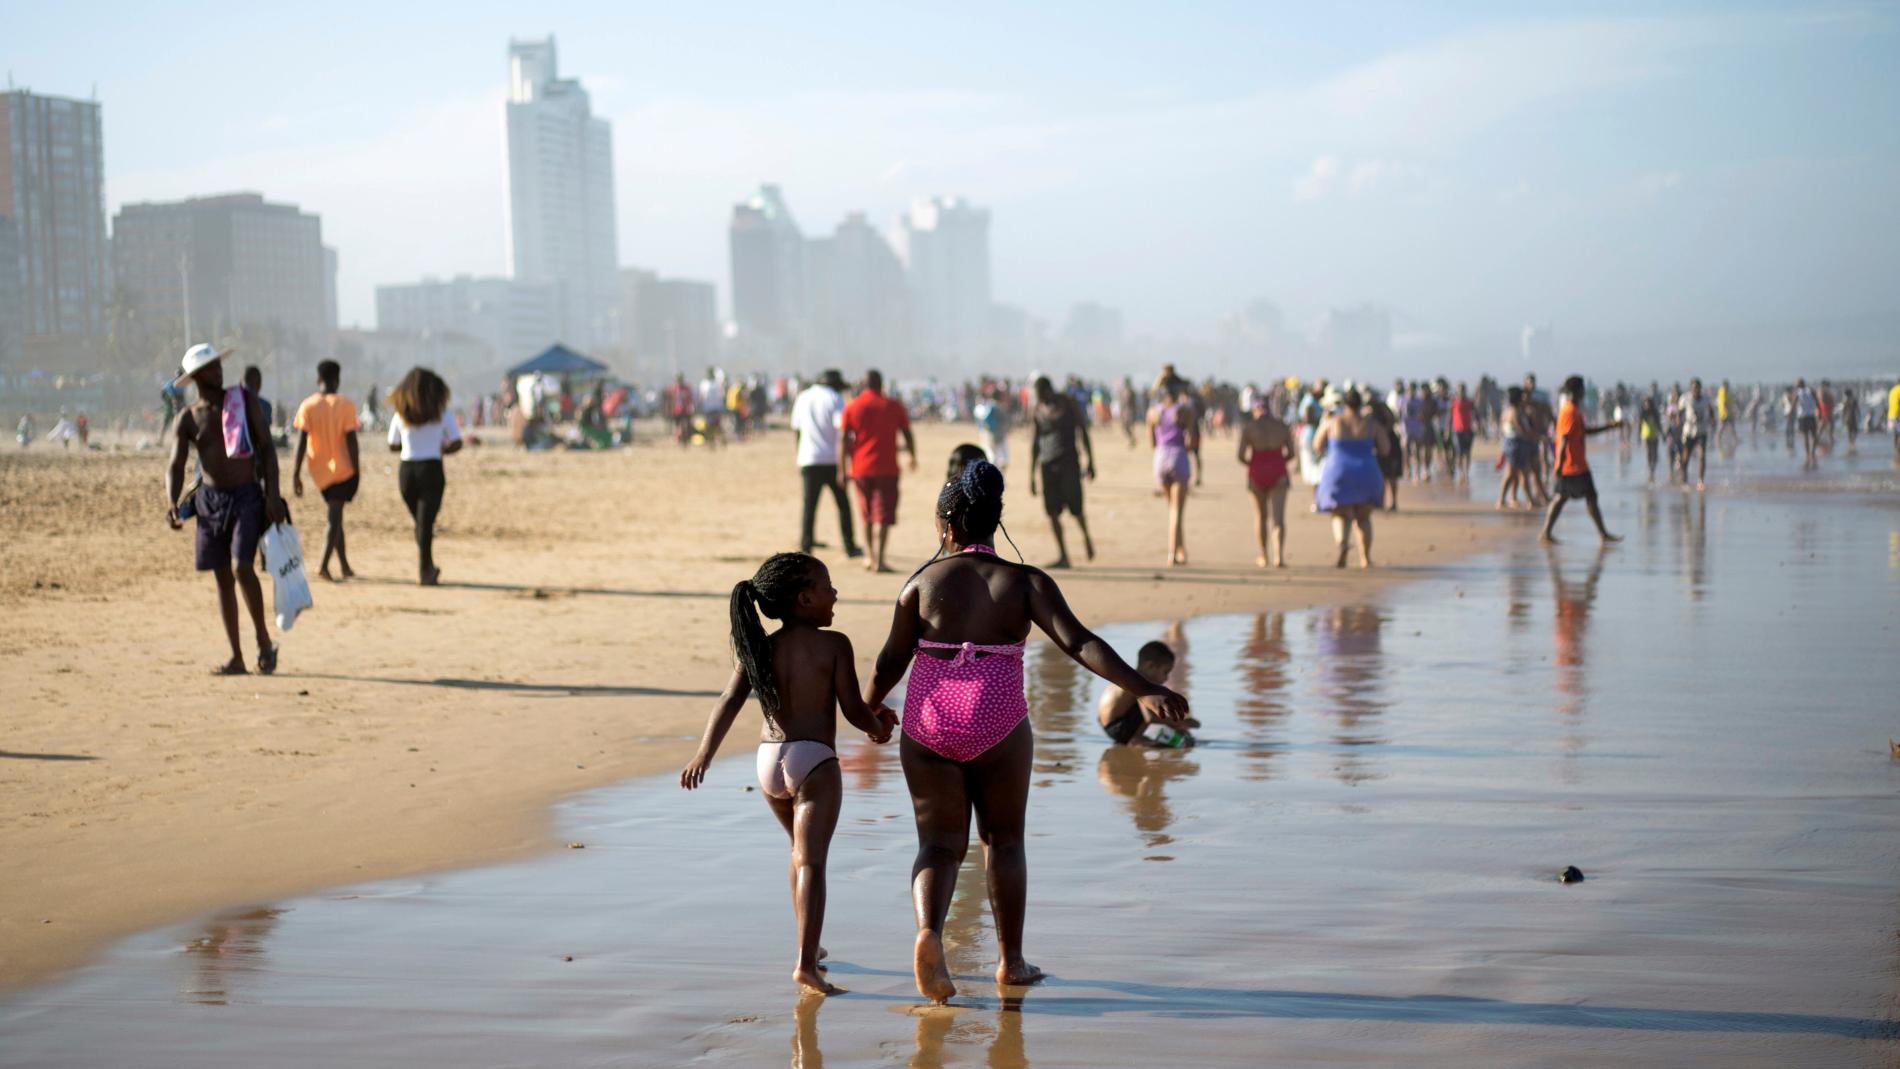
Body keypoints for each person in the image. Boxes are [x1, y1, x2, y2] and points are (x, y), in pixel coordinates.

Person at [863, 460, 1189, 1002]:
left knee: (940, 845)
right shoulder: (1024, 581)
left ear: (947, 526)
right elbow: (1081, 643)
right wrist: (1143, 688)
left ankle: (928, 933)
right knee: (1003, 841)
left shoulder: (919, 584)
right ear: (996, 521)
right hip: (996, 721)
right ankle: (1010, 963)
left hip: (929, 722)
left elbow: (888, 663)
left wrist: (867, 713)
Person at [679, 552, 897, 995]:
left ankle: (809, 948)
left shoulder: (762, 646)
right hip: (814, 761)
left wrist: (703, 754)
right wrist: (879, 730)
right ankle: (805, 965)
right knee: (812, 862)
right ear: (803, 599)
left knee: (799, 852)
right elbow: (853, 709)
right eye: (826, 586)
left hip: (769, 761)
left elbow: (728, 700)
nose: (834, 593)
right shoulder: (834, 644)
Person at [164, 343, 287, 676]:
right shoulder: (188, 417)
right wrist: (172, 501)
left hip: (247, 496)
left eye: (218, 365)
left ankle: (263, 642)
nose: (218, 371)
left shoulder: (242, 400)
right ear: (195, 378)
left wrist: (272, 496)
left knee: (241, 567)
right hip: (209, 501)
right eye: (210, 368)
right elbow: (176, 464)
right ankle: (236, 656)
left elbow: (267, 449)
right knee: (222, 577)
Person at [385, 368, 462, 586]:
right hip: (432, 469)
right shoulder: (442, 414)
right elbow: (457, 442)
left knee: (421, 523)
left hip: (407, 472)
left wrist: (409, 443)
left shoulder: (401, 413)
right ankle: (425, 571)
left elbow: (392, 444)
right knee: (425, 523)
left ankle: (428, 567)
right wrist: (441, 448)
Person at [839, 369, 917, 574]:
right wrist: (912, 455)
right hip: (887, 468)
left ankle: (868, 556)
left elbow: (843, 440)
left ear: (864, 385)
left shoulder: (852, 407)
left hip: (861, 468)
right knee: (882, 514)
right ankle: (879, 560)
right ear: (881, 384)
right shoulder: (892, 406)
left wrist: (842, 469)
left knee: (866, 513)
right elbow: (907, 433)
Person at [292, 359, 362, 581]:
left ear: (318, 379)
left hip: (319, 471)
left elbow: (301, 442)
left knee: (336, 514)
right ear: (337, 380)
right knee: (334, 519)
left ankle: (344, 565)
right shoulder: (345, 405)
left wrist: (296, 473)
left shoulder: (307, 406)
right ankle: (323, 564)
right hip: (342, 470)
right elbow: (352, 441)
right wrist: (357, 469)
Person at [1540, 375, 1622, 544]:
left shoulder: (1573, 410)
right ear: (1578, 391)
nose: (1584, 391)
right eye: (1582, 388)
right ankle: (1547, 533)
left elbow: (1584, 432)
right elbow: (1563, 439)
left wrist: (1610, 426)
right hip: (1571, 465)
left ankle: (1602, 533)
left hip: (1577, 464)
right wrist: (1559, 466)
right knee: (1569, 498)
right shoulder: (1569, 411)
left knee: (1575, 498)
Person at [1312, 389, 1387, 568]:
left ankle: (1343, 544)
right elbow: (1385, 449)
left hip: (1338, 470)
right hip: (1366, 470)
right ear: (1361, 404)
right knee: (1363, 517)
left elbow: (1317, 445)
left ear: (1344, 404)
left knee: (1339, 513)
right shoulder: (1371, 424)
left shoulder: (1332, 421)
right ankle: (1365, 558)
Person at [791, 369, 862, 560]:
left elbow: (796, 430)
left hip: (808, 459)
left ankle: (806, 545)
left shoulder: (802, 397)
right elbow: (842, 431)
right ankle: (849, 545)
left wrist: (799, 455)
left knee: (809, 506)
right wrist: (844, 463)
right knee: (842, 504)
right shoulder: (834, 398)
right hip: (831, 460)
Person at [1028, 376, 1096, 569]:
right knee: (1052, 513)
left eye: (1042, 394)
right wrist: (1031, 476)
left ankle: (1086, 537)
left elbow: (1083, 431)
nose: (1041, 398)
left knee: (1077, 509)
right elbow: (1034, 443)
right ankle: (1063, 555)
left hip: (1069, 463)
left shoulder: (1068, 404)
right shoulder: (1037, 411)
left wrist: (1090, 462)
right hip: (1047, 466)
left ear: (1049, 390)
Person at [1098, 641, 1199, 746]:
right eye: (1165, 672)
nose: (1166, 678)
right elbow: (1151, 718)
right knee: (1150, 705)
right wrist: (1183, 723)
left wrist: (1174, 725)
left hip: (1108, 724)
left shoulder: (1129, 676)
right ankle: (1137, 740)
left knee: (1150, 705)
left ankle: (1137, 738)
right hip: (1118, 727)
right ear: (1150, 666)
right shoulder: (1140, 682)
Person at [1237, 395, 1294, 567]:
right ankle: (1279, 557)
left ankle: (1263, 555)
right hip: (1278, 469)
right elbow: (1291, 453)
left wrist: (1253, 463)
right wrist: (1277, 461)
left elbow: (1240, 455)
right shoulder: (1281, 426)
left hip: (1257, 471)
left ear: (1255, 409)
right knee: (1278, 518)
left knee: (1260, 516)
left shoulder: (1249, 428)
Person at [1148, 380, 1197, 566]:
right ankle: (1172, 554)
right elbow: (1190, 440)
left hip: (1160, 457)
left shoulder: (1153, 412)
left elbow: (1151, 443)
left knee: (1172, 510)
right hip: (1178, 456)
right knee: (1177, 512)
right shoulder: (1184, 411)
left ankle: (1181, 549)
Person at [1677, 378, 1714, 491]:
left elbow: (1711, 410)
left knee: (1702, 455)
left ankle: (1700, 481)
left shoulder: (1705, 399)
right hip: (1689, 431)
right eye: (1693, 388)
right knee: (1686, 457)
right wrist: (1678, 422)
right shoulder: (1685, 398)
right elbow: (1680, 412)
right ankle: (1684, 479)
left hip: (1701, 430)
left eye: (1697, 388)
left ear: (1700, 389)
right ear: (1691, 389)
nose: (1695, 390)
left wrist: (1713, 421)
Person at [1447, 382, 1476, 483]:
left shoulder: (1469, 402)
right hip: (1457, 430)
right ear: (1457, 391)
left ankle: (1466, 472)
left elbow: (1476, 414)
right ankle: (1460, 473)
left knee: (1467, 453)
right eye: (1459, 389)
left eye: (1463, 389)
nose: (1461, 392)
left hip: (1468, 430)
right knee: (1459, 453)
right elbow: (1449, 417)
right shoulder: (1453, 402)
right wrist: (1447, 430)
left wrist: (1477, 425)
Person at [1794, 377, 1819, 466]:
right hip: (1811, 416)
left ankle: (1807, 454)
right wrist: (1819, 412)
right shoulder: (1811, 391)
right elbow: (1817, 402)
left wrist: (1790, 415)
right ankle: (1812, 452)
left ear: (1799, 385)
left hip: (1803, 417)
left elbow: (1794, 404)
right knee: (1814, 435)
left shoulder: (1798, 393)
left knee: (1805, 437)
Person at [1638, 392, 1663, 482]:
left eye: (1648, 403)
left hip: (1654, 434)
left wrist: (1662, 434)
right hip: (1646, 435)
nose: (1647, 405)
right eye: (1645, 403)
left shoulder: (1655, 413)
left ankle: (1653, 468)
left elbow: (1659, 424)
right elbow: (1639, 425)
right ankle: (1650, 470)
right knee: (1648, 453)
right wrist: (1638, 437)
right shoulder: (1642, 413)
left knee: (1655, 455)